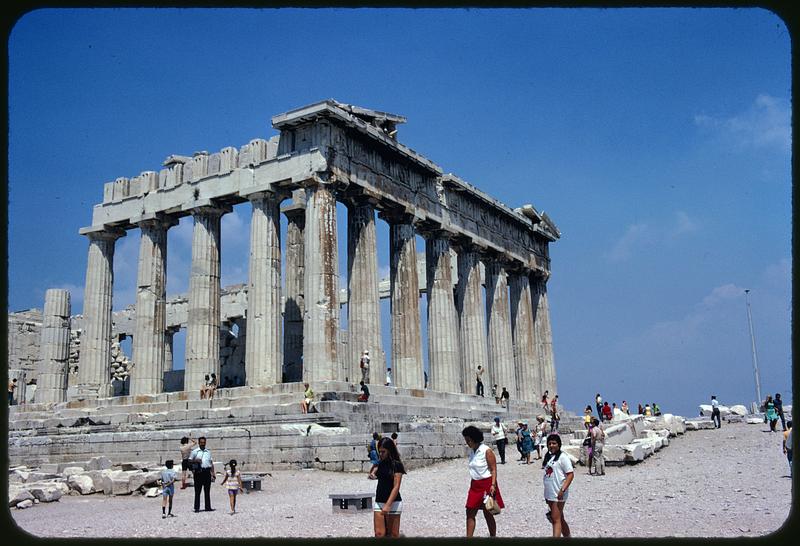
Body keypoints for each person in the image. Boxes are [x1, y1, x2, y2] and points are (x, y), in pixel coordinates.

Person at [462, 425, 504, 537]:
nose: (467, 442)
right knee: (470, 511)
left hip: (487, 484)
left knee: (488, 513)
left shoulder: (486, 451)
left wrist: (493, 485)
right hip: (475, 485)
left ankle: (492, 537)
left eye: (468, 440)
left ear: (474, 438)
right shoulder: (472, 451)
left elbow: (493, 469)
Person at [373, 437, 406, 537]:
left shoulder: (397, 465)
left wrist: (388, 505)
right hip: (379, 501)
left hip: (394, 502)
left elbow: (396, 486)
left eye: (383, 451)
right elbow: (378, 475)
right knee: (379, 534)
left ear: (389, 450)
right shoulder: (380, 463)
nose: (381, 454)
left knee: (393, 534)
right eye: (380, 452)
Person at [542, 433, 574, 537]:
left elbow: (570, 474)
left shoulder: (563, 457)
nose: (551, 445)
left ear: (559, 444)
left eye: (554, 443)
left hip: (558, 492)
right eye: (550, 443)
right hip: (550, 493)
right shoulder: (549, 457)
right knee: (559, 518)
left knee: (555, 520)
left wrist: (563, 489)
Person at [190, 436, 215, 512]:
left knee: (207, 491)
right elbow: (189, 461)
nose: (203, 444)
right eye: (201, 443)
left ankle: (208, 507)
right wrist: (195, 460)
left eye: (204, 443)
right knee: (197, 491)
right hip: (198, 473)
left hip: (207, 472)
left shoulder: (208, 452)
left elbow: (211, 463)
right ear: (199, 443)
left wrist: (213, 473)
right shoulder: (195, 451)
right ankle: (197, 508)